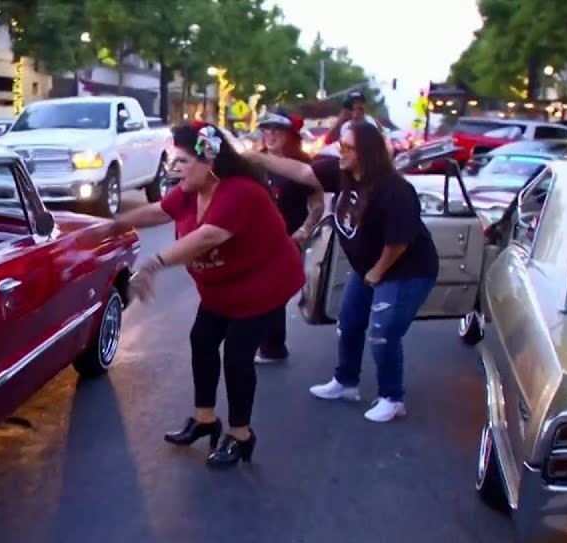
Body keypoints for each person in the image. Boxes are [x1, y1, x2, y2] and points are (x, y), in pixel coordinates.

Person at [79, 122, 304, 467]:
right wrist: (115, 224)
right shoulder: (189, 191)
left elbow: (207, 238)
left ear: (209, 159)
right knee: (202, 341)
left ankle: (241, 435)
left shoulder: (240, 192)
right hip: (221, 289)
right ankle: (205, 419)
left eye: (182, 160)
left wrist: (153, 263)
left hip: (262, 286)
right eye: (173, 160)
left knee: (238, 356)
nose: (175, 168)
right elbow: (159, 211)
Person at [246, 121, 440, 423]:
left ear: (367, 152)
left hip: (405, 272)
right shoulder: (344, 174)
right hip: (368, 270)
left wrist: (376, 272)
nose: (341, 152)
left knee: (383, 333)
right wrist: (257, 158)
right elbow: (301, 172)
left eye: (348, 147)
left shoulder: (395, 190)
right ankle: (346, 382)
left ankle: (392, 397)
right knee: (348, 323)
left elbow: (399, 242)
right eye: (341, 145)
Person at [253, 108, 325, 364]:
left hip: (287, 238)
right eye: (266, 129)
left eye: (277, 130)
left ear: (289, 134)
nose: (270, 135)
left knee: (272, 291)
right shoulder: (255, 161)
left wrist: (305, 229)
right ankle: (267, 343)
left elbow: (317, 203)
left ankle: (272, 346)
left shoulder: (303, 165)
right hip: (254, 238)